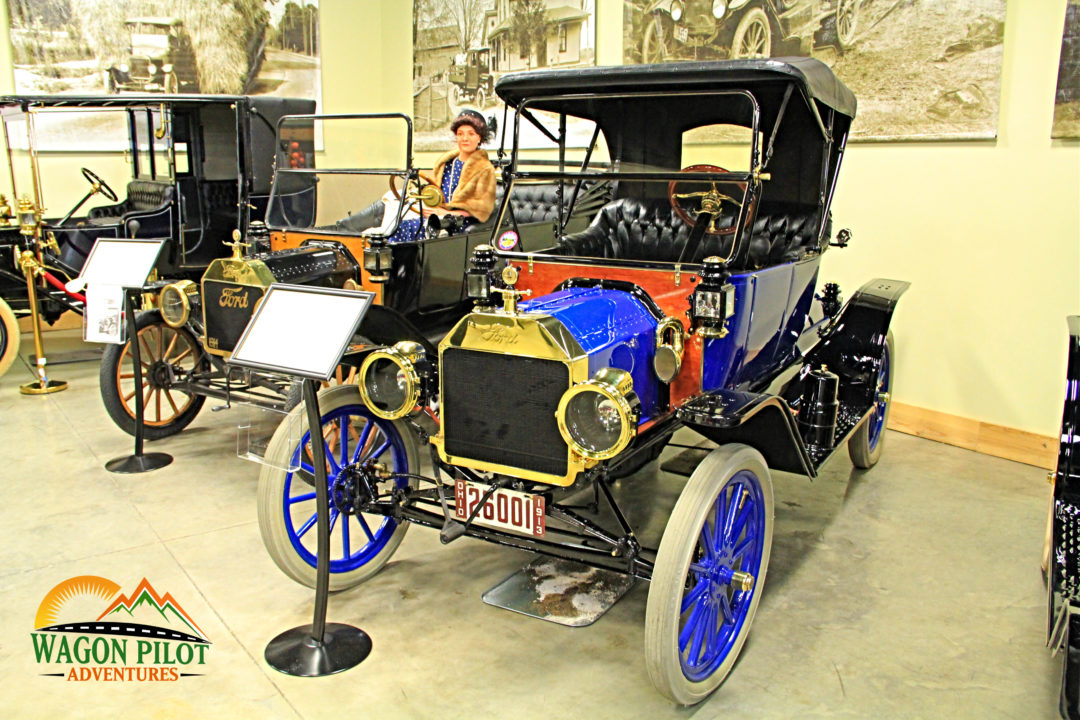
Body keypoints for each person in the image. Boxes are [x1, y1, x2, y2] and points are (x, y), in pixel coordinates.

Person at [379, 109, 496, 242]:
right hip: (437, 216)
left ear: (479, 137)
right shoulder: (446, 163)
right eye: (460, 134)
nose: (465, 138)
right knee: (398, 227)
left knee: (416, 230)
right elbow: (436, 194)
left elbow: (480, 211)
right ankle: (397, 263)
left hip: (461, 223)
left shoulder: (485, 169)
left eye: (471, 134)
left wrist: (446, 214)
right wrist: (431, 208)